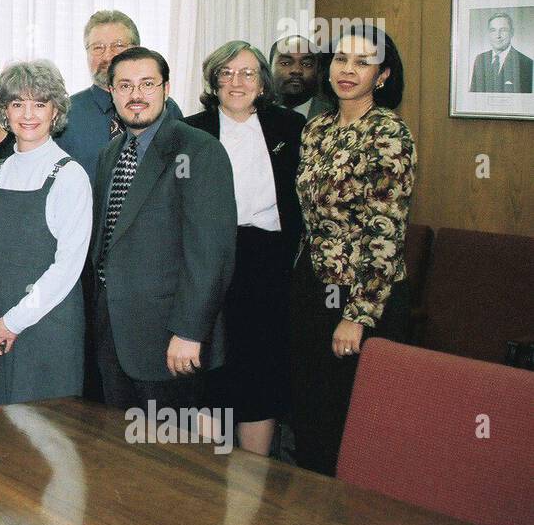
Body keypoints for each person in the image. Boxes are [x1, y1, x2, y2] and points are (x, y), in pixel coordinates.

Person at [292, 25, 415, 476]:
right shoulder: (318, 129)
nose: (348, 70)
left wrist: (357, 315)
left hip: (365, 295)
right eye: (342, 59)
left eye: (363, 63)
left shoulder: (387, 133)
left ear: (382, 76)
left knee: (350, 420)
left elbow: (385, 231)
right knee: (310, 411)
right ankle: (310, 517)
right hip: (313, 285)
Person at [89, 47, 235, 411]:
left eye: (147, 84)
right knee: (120, 450)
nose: (135, 95)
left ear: (166, 89)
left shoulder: (199, 150)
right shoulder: (110, 154)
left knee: (168, 457)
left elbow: (211, 255)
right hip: (113, 335)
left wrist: (189, 331)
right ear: (112, 93)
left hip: (170, 340)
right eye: (124, 85)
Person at [185, 41, 304, 456]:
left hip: (268, 262)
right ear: (213, 81)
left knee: (260, 365)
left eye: (248, 73)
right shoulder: (191, 130)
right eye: (226, 73)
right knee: (211, 363)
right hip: (209, 259)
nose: (237, 82)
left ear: (263, 82)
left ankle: (257, 471)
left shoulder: (291, 128)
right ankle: (209, 476)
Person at [0, 60, 91, 405]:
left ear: (56, 112)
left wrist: (13, 321)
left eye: (39, 103)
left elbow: (67, 267)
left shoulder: (70, 175)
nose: (28, 114)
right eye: (17, 103)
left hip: (48, 327)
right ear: (5, 111)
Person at [58, 9, 182, 183]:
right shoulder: (65, 113)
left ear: (137, 50)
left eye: (118, 45)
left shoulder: (165, 108)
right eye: (98, 47)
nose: (108, 56)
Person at [269, 34, 333, 119]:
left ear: (318, 71)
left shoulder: (334, 116)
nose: (296, 70)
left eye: (306, 64)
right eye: (285, 63)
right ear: (269, 68)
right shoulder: (253, 114)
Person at [469, 12, 532, 93]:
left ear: (512, 32)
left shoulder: (527, 63)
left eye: (503, 30)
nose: (498, 35)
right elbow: (473, 94)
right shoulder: (480, 59)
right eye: (493, 30)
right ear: (488, 33)